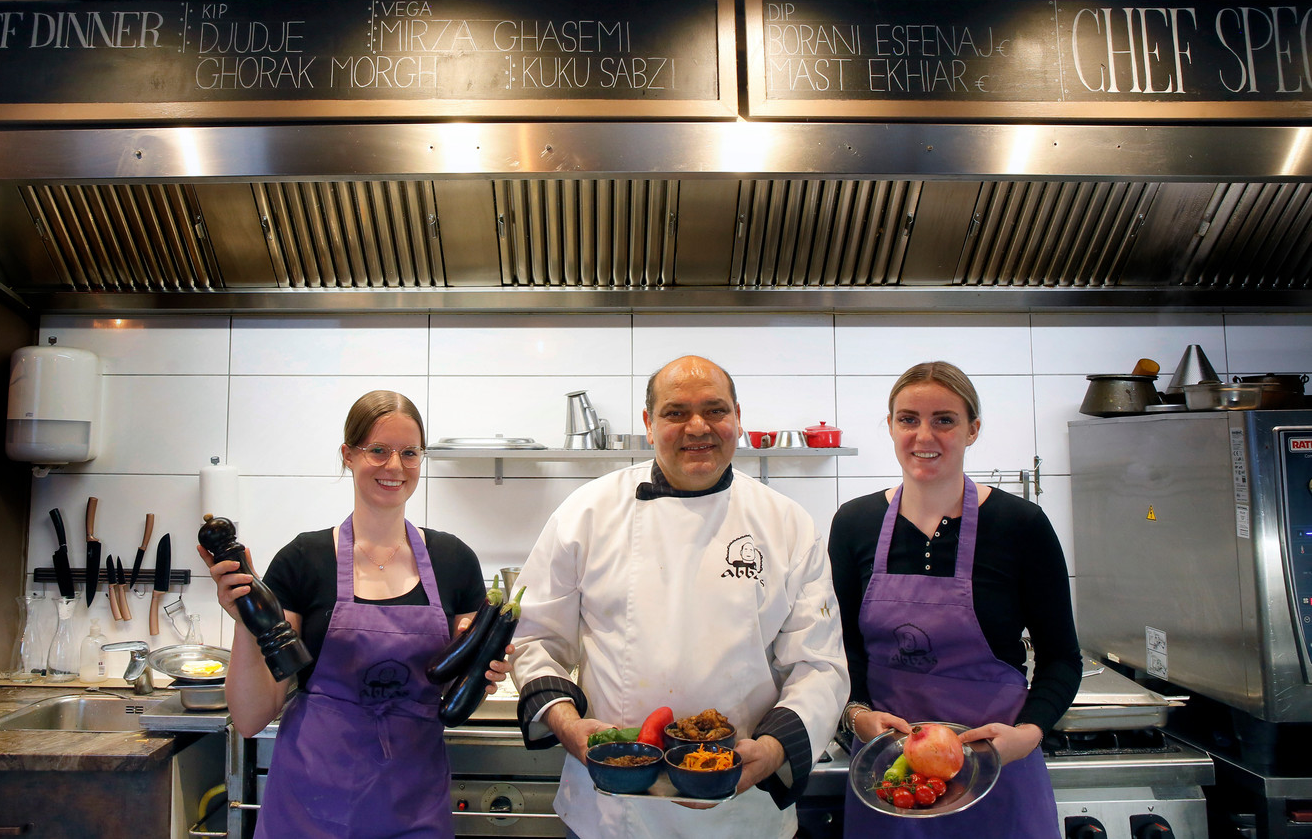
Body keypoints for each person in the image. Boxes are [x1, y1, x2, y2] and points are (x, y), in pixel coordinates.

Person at [509, 354, 849, 839]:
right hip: (612, 813)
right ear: (649, 425)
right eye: (675, 413)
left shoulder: (788, 525)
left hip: (743, 814)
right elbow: (533, 639)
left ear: (737, 417)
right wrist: (566, 724)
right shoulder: (585, 513)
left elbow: (819, 664)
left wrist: (774, 749)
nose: (698, 427)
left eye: (715, 410)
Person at [199, 390, 511, 838]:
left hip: (413, 804)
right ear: (348, 455)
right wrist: (246, 623)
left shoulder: (454, 561)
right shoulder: (303, 560)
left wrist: (487, 667)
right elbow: (251, 717)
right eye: (378, 451)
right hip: (310, 807)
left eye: (409, 453)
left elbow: (462, 692)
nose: (395, 467)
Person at [828, 361, 1080, 837]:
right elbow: (842, 649)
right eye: (908, 419)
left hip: (997, 769)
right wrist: (857, 712)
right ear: (890, 427)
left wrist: (1026, 736)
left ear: (972, 430)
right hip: (891, 779)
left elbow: (1062, 657)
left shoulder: (1020, 526)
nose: (925, 435)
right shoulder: (854, 524)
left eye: (944, 419)